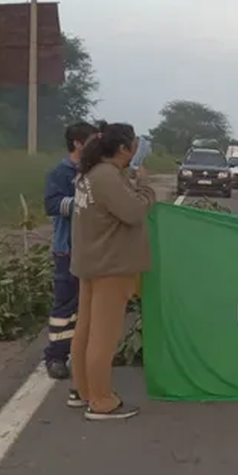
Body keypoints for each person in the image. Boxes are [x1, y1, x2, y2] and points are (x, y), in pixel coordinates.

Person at [70, 122, 156, 421]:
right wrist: (146, 187)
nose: (136, 149)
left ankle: (84, 391)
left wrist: (131, 176)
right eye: (134, 144)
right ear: (123, 148)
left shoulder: (92, 174)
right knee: (103, 336)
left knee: (86, 329)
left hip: (91, 262)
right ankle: (102, 401)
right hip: (111, 265)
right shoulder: (106, 176)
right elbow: (133, 212)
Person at [42, 122, 98, 390]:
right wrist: (84, 204)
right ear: (77, 143)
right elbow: (51, 205)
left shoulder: (93, 171)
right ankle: (56, 357)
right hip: (68, 249)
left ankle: (84, 354)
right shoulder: (62, 172)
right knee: (65, 307)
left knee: (87, 306)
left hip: (91, 250)